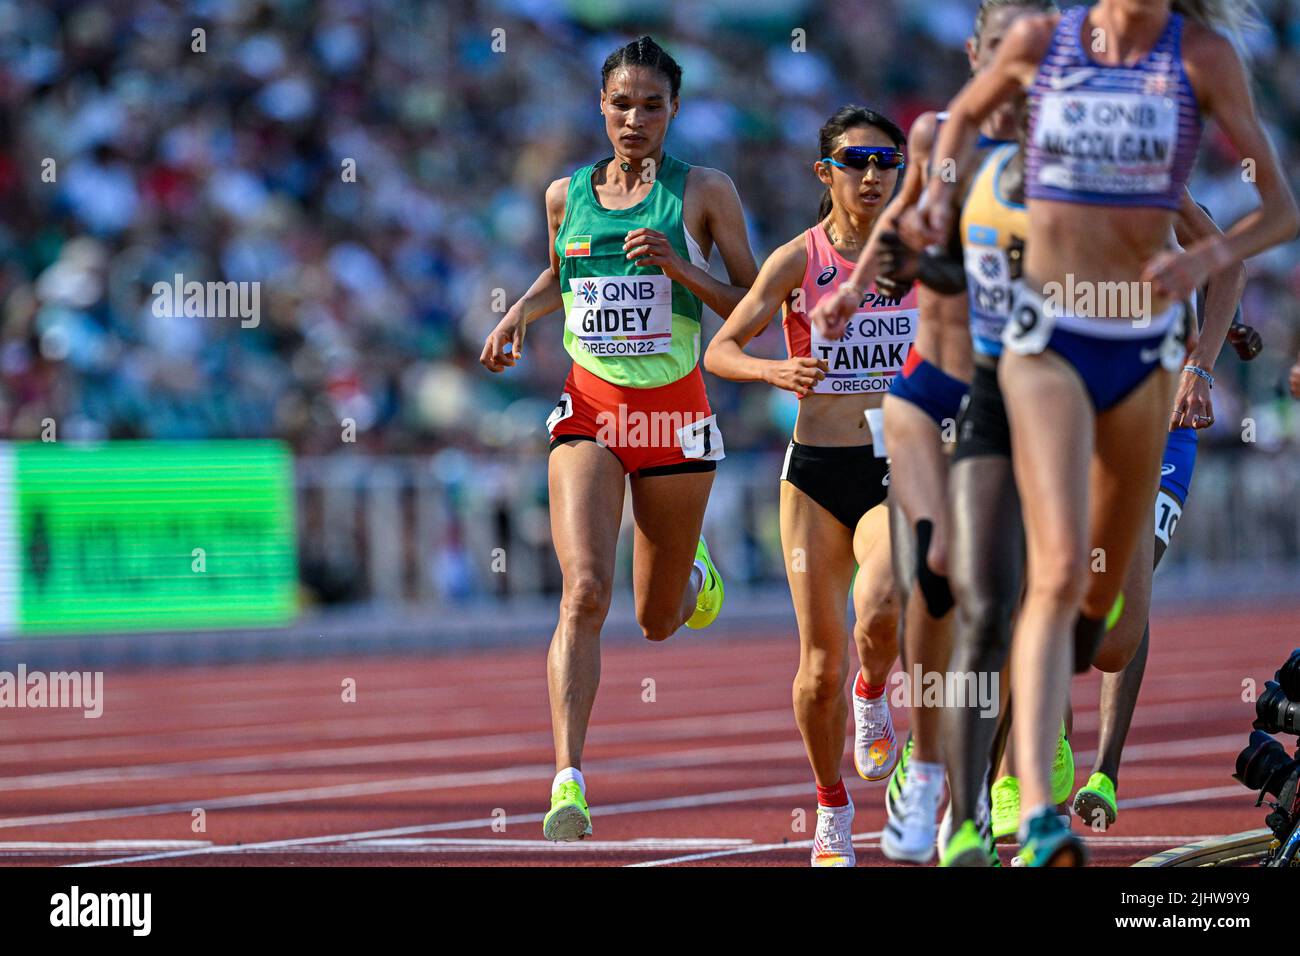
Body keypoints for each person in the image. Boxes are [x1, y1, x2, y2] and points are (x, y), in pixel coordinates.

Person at [917, 0, 1299, 865]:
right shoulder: (1038, 42)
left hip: (1144, 353)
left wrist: (1202, 263)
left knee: (1113, 629)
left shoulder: (1200, 56)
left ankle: (1064, 693)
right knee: (1047, 574)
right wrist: (928, 210)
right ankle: (1035, 808)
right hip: (1047, 341)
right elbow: (955, 125)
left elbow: (1279, 207)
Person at [480, 36, 758, 843]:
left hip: (673, 415)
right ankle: (568, 779)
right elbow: (562, 278)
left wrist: (679, 268)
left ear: (675, 111)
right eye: (621, 103)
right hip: (591, 409)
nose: (634, 118)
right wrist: (515, 315)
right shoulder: (565, 194)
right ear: (601, 107)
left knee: (658, 619)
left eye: (652, 105)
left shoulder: (704, 190)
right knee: (584, 591)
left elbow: (752, 299)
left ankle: (690, 570)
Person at [704, 106, 911, 866]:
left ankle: (874, 693)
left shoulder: (923, 255)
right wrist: (773, 370)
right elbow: (720, 350)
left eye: (887, 162)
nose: (871, 176)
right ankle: (830, 807)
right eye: (855, 161)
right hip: (817, 473)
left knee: (880, 609)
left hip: (900, 470)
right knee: (819, 666)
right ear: (825, 172)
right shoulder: (799, 259)